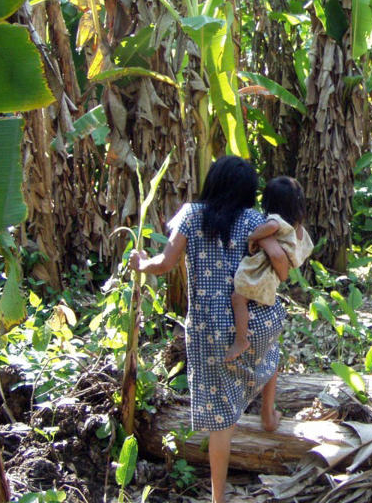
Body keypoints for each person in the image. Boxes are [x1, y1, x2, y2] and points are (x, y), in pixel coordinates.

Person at [128, 156, 290, 503]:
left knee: (220, 419)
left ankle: (218, 497)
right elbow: (281, 265)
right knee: (273, 342)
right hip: (251, 319)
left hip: (205, 328)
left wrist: (141, 264)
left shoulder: (190, 214)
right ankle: (267, 413)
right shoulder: (253, 220)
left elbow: (165, 263)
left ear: (213, 182)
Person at [225, 176, 313, 362]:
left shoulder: (275, 220)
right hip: (274, 273)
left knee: (238, 298)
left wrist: (253, 236)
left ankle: (241, 340)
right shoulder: (296, 226)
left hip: (266, 270)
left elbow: (272, 231)